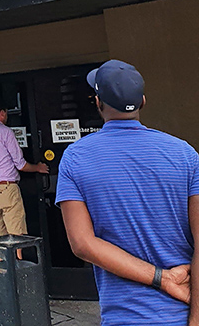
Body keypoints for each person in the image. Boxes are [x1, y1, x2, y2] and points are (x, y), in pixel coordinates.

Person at [57, 60, 199, 325]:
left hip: (124, 316)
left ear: (98, 102)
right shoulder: (186, 155)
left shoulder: (76, 158)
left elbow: (82, 244)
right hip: (183, 312)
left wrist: (162, 278)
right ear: (143, 102)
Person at [0, 103, 48, 236]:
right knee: (16, 233)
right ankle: (18, 257)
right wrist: (38, 167)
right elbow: (20, 165)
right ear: (2, 113)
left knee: (1, 235)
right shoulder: (5, 132)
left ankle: (3, 258)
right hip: (7, 187)